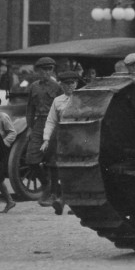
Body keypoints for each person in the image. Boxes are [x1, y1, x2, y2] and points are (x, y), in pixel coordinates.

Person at [23, 57, 65, 203]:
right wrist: (29, 127)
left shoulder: (58, 87)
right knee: (31, 159)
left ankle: (52, 193)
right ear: (37, 71)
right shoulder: (34, 86)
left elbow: (61, 107)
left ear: (52, 70)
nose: (46, 72)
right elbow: (30, 108)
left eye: (49, 69)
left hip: (53, 123)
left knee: (52, 160)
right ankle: (47, 184)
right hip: (39, 123)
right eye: (43, 69)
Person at [38, 67, 81, 205]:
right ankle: (55, 194)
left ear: (77, 84)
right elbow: (51, 121)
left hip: (78, 135)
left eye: (72, 83)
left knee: (75, 167)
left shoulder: (83, 98)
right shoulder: (57, 101)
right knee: (53, 164)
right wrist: (46, 140)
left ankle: (73, 198)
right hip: (61, 135)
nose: (70, 86)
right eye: (66, 84)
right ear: (61, 85)